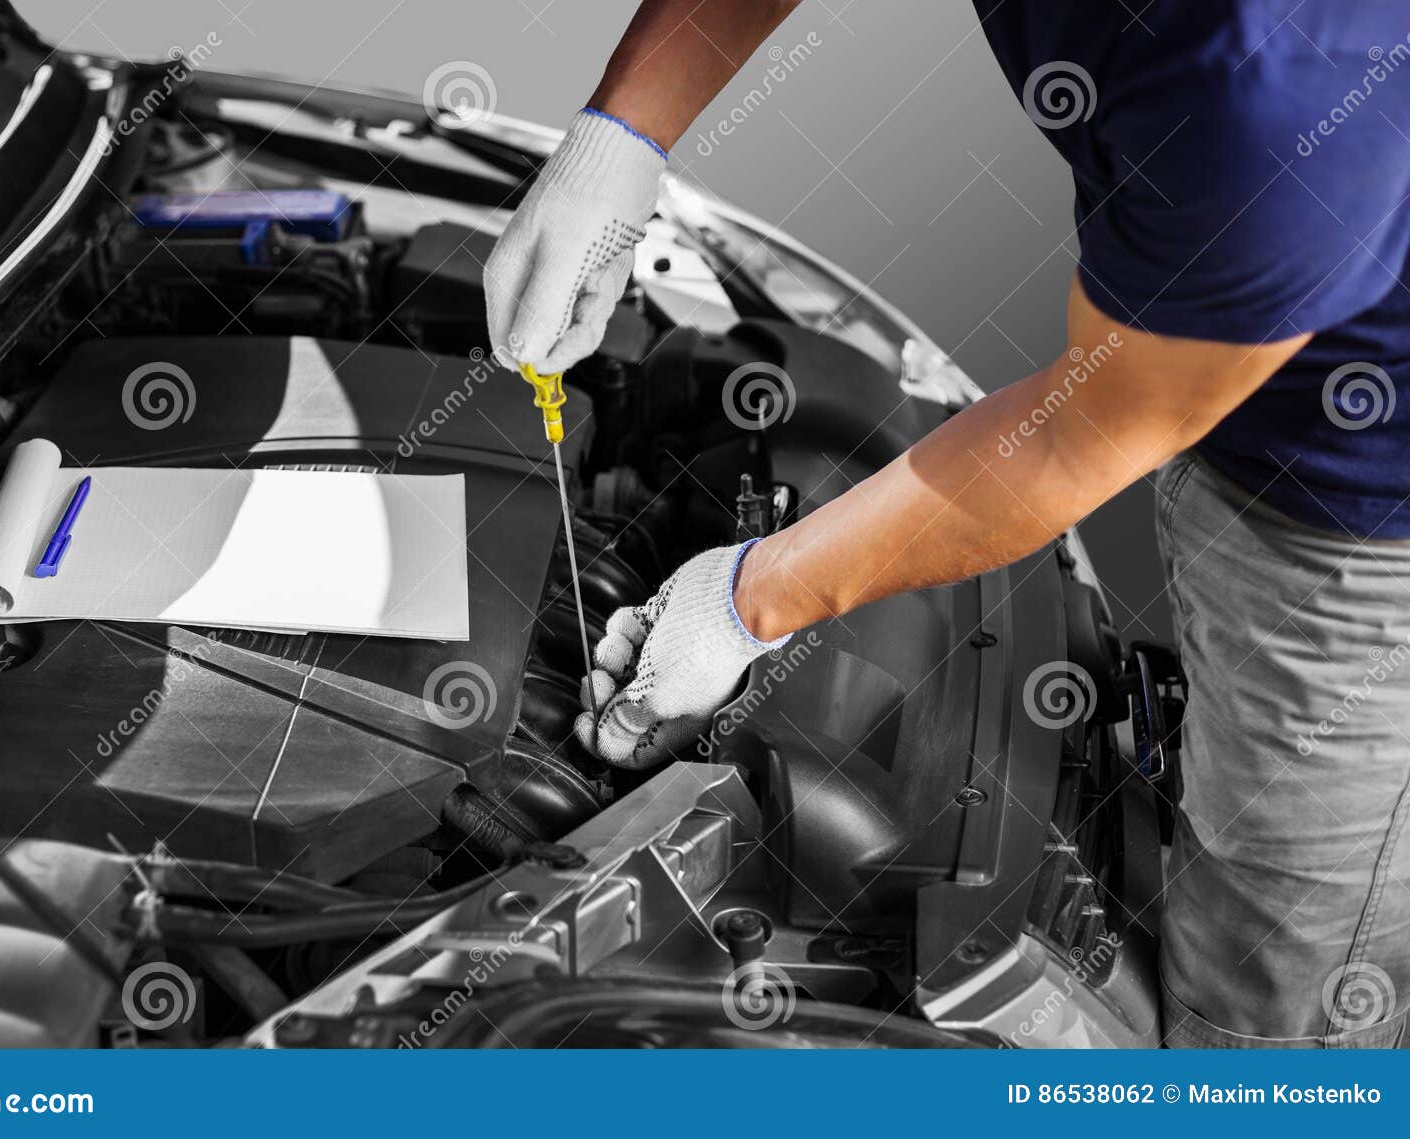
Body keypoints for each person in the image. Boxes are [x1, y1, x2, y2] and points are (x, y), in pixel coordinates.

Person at [483, 1, 1410, 1048]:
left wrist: (747, 600)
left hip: (1357, 530)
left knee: (1270, 1017)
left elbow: (1074, 443)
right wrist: (625, 132)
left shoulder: (1285, 79)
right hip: (1235, 355)